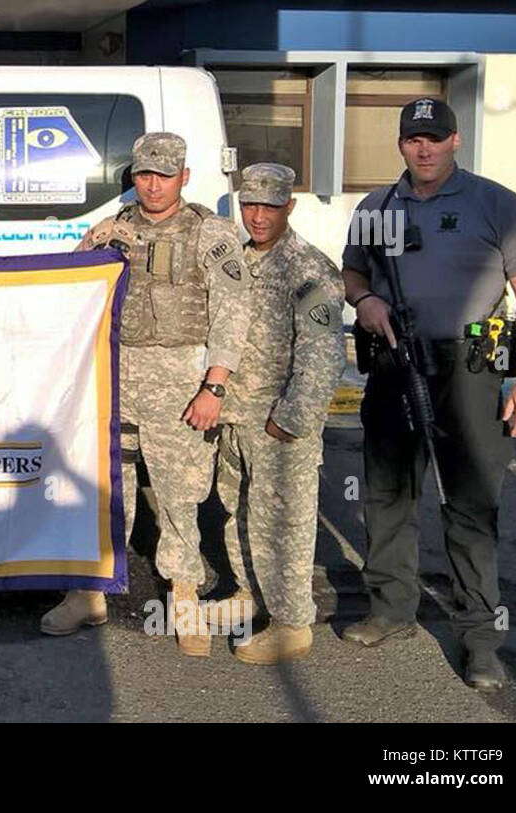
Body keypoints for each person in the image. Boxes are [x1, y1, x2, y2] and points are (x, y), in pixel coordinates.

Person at [339, 98, 516, 691]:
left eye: (435, 137)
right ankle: (390, 610)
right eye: (413, 139)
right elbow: (353, 272)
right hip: (393, 364)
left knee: (471, 505)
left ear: (455, 140)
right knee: (386, 495)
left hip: (469, 370)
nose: (423, 148)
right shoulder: (375, 207)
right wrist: (365, 300)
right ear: (401, 144)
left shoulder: (498, 205)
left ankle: (480, 637)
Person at [40, 132, 251, 656]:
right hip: (113, 375)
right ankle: (89, 592)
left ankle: (183, 596)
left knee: (179, 492)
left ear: (184, 176)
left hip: (181, 377)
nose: (152, 184)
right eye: (143, 174)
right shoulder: (113, 230)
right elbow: (71, 291)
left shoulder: (213, 235)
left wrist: (214, 386)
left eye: (163, 174)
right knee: (105, 485)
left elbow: (233, 314)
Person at [212, 163, 345, 664]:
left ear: (289, 206)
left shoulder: (310, 270)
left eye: (270, 206)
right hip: (235, 418)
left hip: (278, 422)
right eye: (250, 205)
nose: (258, 216)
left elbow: (324, 354)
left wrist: (290, 419)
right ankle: (250, 595)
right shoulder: (237, 262)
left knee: (283, 523)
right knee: (238, 512)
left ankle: (292, 623)